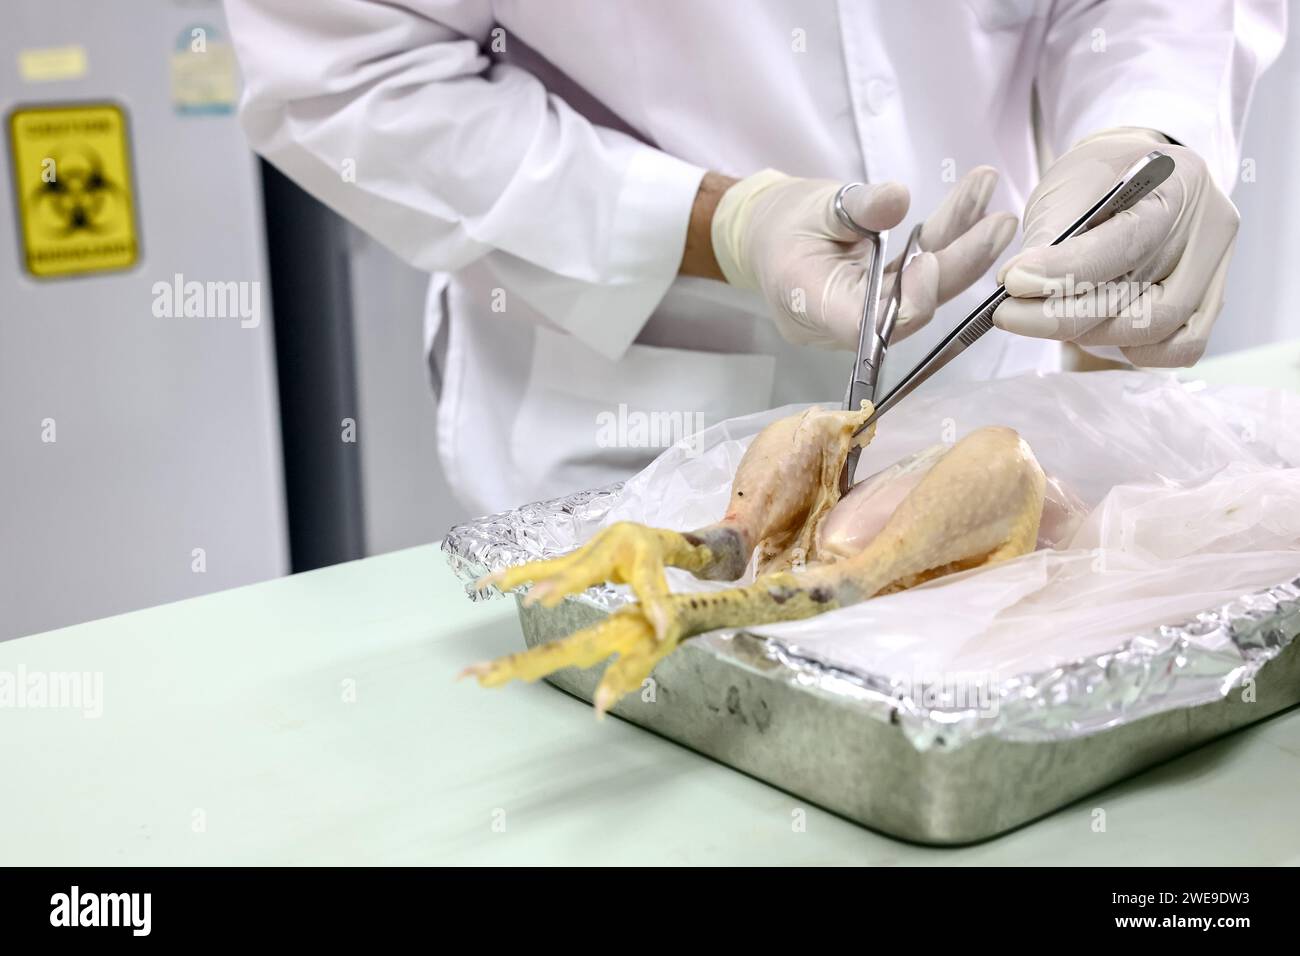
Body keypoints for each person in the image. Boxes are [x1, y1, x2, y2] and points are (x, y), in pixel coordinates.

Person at [225, 0, 1285, 517]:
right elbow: (339, 78)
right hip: (630, 436)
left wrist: (1148, 132)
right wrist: (721, 223)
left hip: (989, 404)